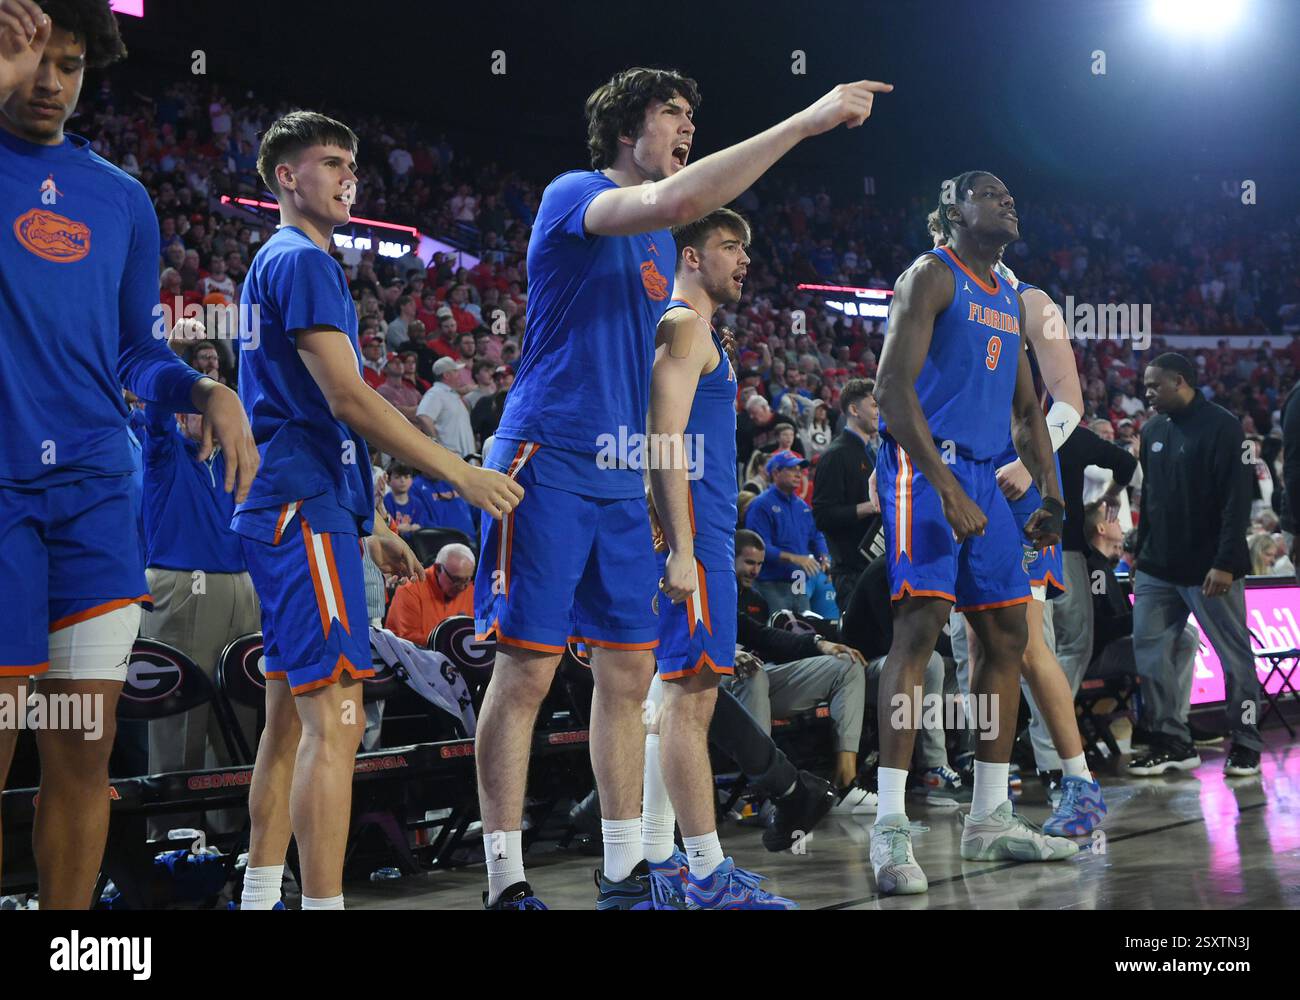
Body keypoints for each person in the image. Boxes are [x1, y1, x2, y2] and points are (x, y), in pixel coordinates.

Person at [471, 65, 891, 909]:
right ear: (628, 127)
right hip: (546, 458)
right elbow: (668, 202)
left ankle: (627, 870)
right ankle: (504, 881)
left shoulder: (664, 250)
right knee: (525, 674)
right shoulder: (575, 194)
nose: (687, 126)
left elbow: (667, 343)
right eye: (673, 113)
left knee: (630, 678)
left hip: (625, 477)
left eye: (693, 115)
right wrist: (802, 124)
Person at [0, 0, 258, 907]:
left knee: (83, 746)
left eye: (68, 65)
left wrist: (202, 388)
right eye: (28, 60)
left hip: (94, 497)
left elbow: (131, 350)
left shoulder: (119, 197)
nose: (50, 83)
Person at [231, 110, 521, 911]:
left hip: (300, 510)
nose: (349, 174)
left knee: (288, 721)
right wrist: (458, 473)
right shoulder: (305, 260)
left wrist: (378, 526)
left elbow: (315, 412)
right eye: (331, 161)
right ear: (287, 177)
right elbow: (347, 399)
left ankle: (261, 895)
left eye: (353, 162)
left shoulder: (281, 262)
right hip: (301, 511)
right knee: (338, 724)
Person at [869, 171, 1075, 896]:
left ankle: (990, 816)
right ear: (952, 211)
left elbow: (1029, 412)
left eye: (1012, 194)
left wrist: (1050, 495)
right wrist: (947, 485)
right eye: (988, 193)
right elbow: (890, 392)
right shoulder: (930, 274)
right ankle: (890, 823)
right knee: (919, 630)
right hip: (926, 468)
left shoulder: (1009, 297)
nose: (1007, 200)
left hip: (988, 475)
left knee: (1009, 639)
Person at [643, 208, 794, 907]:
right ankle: (704, 874)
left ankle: (663, 861)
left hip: (701, 536)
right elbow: (660, 442)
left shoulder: (699, 329)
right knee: (688, 700)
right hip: (693, 542)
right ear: (690, 255)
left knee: (675, 700)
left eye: (747, 247)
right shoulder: (684, 324)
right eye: (730, 245)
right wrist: (678, 548)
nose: (744, 259)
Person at [1128, 353, 1262, 778]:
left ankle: (1245, 742)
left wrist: (1225, 561)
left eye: (1153, 385)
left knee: (1235, 659)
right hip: (1157, 567)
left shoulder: (1224, 427)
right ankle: (1173, 740)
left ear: (1180, 381)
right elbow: (1150, 499)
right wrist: (1140, 553)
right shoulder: (1151, 430)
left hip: (1211, 569)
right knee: (1151, 657)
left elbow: (1237, 502)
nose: (1146, 393)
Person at [136, 388, 261, 837]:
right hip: (183, 582)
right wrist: (174, 354)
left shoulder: (237, 459)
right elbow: (156, 406)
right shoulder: (166, 452)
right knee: (179, 720)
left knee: (239, 723)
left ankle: (232, 845)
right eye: (194, 409)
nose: (204, 419)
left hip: (242, 587)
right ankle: (173, 846)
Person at [729, 530, 870, 812]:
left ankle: (845, 782)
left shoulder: (756, 600)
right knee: (753, 673)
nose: (754, 570)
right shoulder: (708, 591)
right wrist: (728, 653)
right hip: (716, 686)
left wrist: (820, 643)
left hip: (759, 682)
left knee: (847, 665)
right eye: (748, 563)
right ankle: (768, 793)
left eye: (758, 564)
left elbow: (766, 639)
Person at [812, 378, 880, 611]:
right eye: (873, 405)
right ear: (853, 409)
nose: (878, 411)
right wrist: (870, 506)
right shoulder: (836, 455)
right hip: (851, 572)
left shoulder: (872, 452)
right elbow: (822, 515)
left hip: (875, 566)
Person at [744, 450, 829, 615]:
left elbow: (816, 536)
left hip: (799, 583)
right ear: (776, 473)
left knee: (804, 632)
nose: (798, 474)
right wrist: (795, 558)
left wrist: (824, 557)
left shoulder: (802, 506)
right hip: (770, 583)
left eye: (800, 469)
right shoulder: (761, 504)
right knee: (778, 632)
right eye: (791, 469)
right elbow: (760, 547)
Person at [384, 543, 476, 644]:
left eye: (466, 579)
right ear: (438, 569)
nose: (462, 587)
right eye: (456, 579)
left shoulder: (471, 590)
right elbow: (407, 639)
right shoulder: (410, 589)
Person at [416, 356, 475, 457]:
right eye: (455, 371)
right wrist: (438, 447)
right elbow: (423, 417)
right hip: (451, 458)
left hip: (463, 458)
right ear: (447, 375)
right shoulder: (436, 393)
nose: (459, 375)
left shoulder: (450, 394)